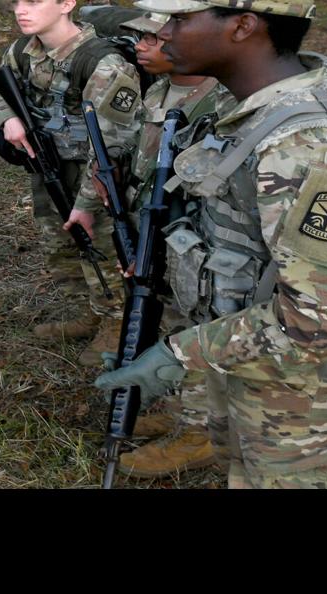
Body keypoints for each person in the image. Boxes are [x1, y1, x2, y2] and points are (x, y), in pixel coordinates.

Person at [95, 0, 327, 488]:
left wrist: (182, 356)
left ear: (243, 26)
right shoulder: (244, 105)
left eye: (179, 19)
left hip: (306, 408)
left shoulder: (309, 145)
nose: (163, 31)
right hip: (253, 369)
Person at [106, 10, 234, 478]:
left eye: (153, 37)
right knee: (173, 320)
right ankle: (187, 408)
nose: (142, 45)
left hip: (197, 240)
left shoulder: (221, 100)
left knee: (200, 323)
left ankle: (203, 430)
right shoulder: (159, 88)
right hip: (156, 232)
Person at [0, 0, 143, 363]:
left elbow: (113, 147)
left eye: (34, 1)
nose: (20, 10)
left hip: (95, 177)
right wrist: (7, 118)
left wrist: (88, 203)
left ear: (67, 4)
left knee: (100, 247)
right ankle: (89, 310)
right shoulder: (21, 51)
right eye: (16, 2)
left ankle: (116, 322)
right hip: (48, 165)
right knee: (60, 243)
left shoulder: (101, 62)